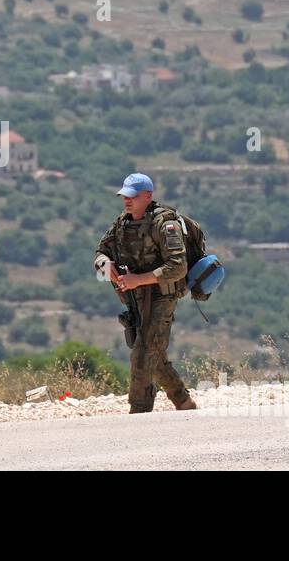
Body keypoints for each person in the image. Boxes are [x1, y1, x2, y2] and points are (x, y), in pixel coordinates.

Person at [94, 173, 197, 413]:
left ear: (148, 196)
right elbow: (100, 252)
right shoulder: (122, 223)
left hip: (162, 295)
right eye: (124, 196)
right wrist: (104, 265)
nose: (126, 201)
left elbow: (177, 267)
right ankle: (184, 403)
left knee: (143, 353)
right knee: (154, 354)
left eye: (132, 196)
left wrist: (138, 280)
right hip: (135, 297)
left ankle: (138, 412)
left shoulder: (165, 224)